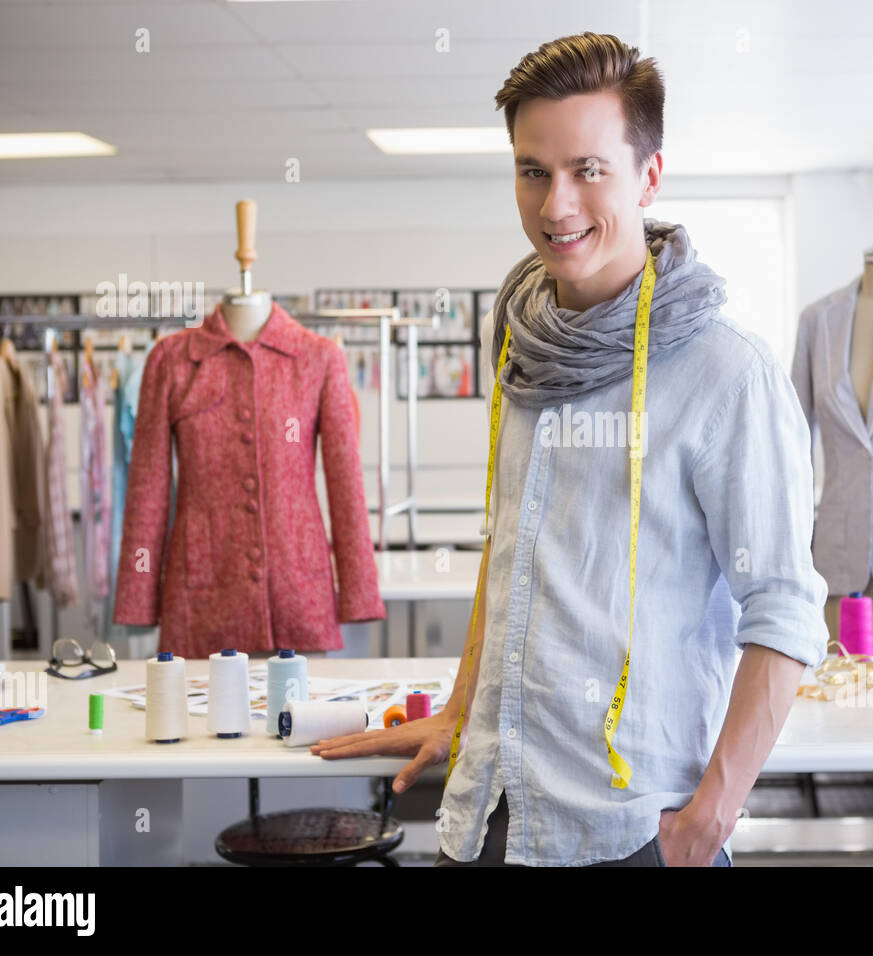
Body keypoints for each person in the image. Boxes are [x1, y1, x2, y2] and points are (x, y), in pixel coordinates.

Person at [311, 31, 829, 867]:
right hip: (488, 809)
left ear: (649, 175)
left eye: (589, 170)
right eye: (533, 171)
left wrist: (707, 821)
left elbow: (786, 608)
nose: (556, 206)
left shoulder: (723, 372)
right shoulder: (521, 342)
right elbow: (508, 547)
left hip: (631, 829)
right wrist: (459, 709)